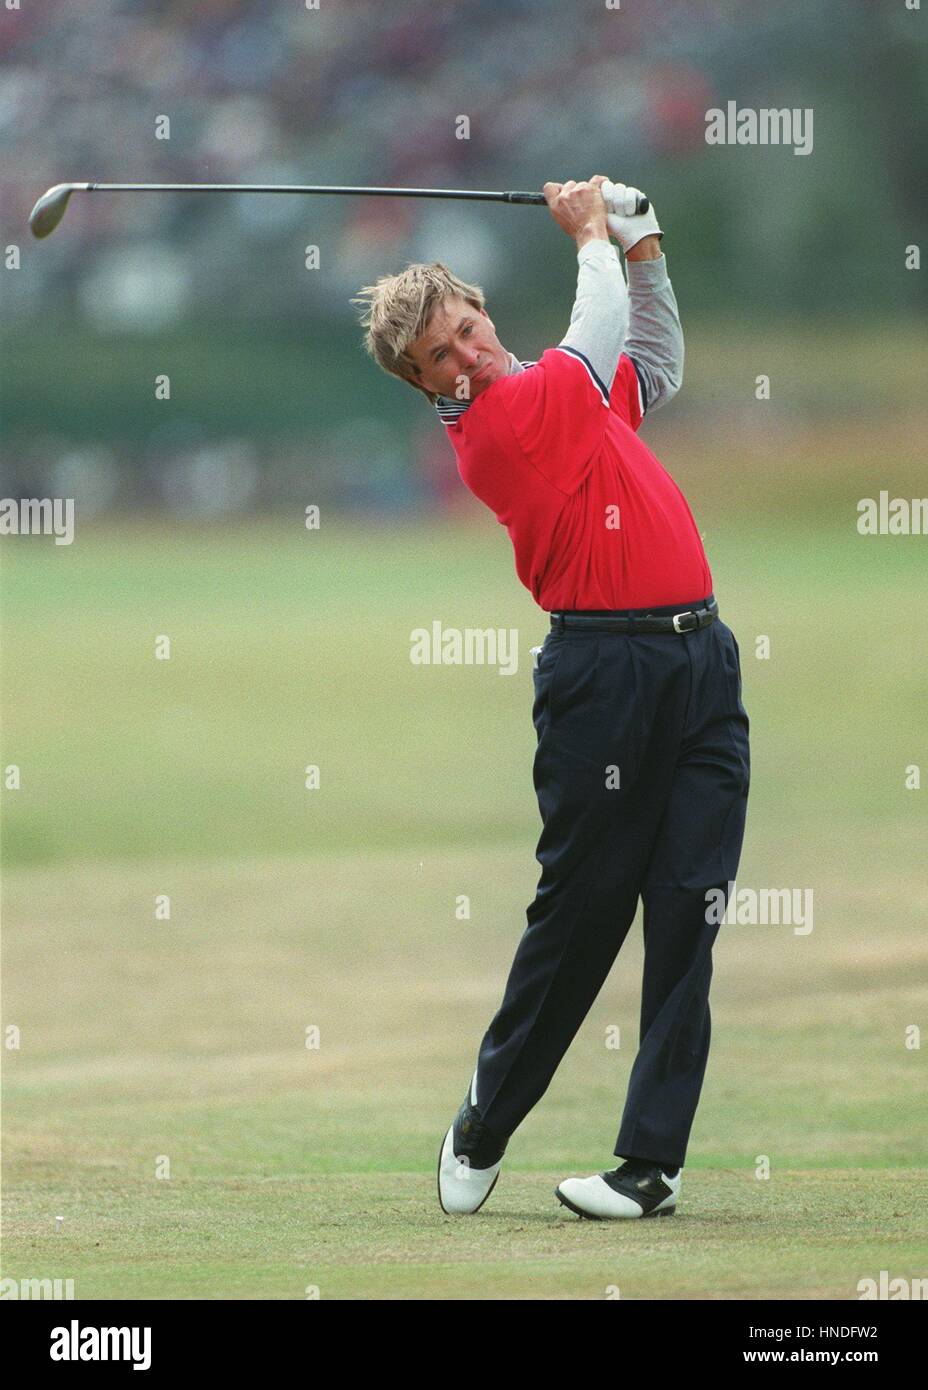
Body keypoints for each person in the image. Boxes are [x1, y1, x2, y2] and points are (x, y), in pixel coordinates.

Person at [353, 176, 750, 1220]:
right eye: (439, 356)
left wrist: (645, 237)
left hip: (697, 662)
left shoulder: (559, 388)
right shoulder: (504, 421)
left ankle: (647, 1164)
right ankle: (482, 1123)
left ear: (485, 309)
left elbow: (649, 360)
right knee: (581, 920)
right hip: (601, 678)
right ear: (424, 382)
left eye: (467, 329)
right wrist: (591, 236)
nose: (466, 355)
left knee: (687, 909)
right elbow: (601, 319)